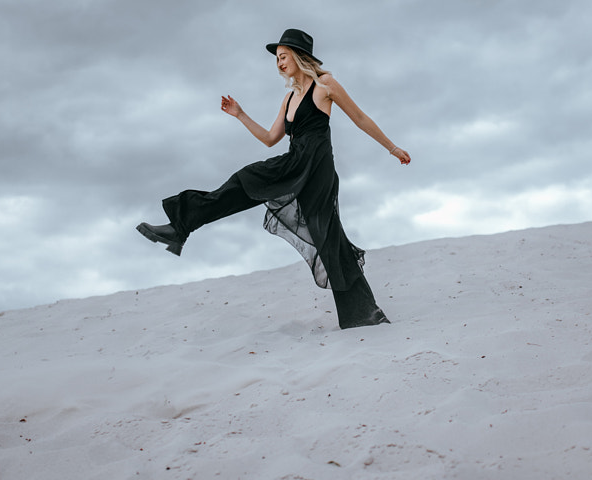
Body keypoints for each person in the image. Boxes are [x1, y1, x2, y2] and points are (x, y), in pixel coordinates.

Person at [137, 29, 410, 329]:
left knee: (328, 239)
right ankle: (181, 226)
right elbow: (270, 138)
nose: (279, 63)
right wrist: (240, 114)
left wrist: (392, 148)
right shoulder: (289, 98)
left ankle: (364, 315)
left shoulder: (325, 85)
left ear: (298, 56)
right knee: (243, 181)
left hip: (317, 173)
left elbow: (359, 118)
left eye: (283, 56)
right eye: (277, 58)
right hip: (292, 166)